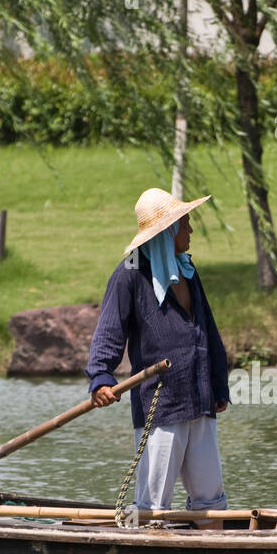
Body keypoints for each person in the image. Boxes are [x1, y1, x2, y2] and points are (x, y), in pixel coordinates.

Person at [86, 188, 230, 524]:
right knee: (153, 503)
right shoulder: (129, 275)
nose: (191, 231)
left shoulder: (188, 272)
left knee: (211, 499)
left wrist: (219, 386)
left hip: (199, 399)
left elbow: (207, 330)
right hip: (160, 407)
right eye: (186, 225)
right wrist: (101, 378)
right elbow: (109, 331)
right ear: (168, 231)